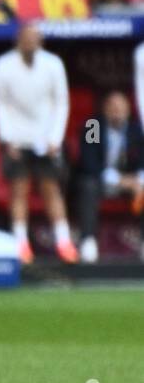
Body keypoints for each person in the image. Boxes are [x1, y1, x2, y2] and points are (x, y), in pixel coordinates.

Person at [0, 23, 75, 264]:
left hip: (45, 139)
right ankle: (20, 244)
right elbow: (0, 104)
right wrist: (7, 139)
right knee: (19, 190)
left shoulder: (53, 64)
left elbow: (61, 103)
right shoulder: (2, 65)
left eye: (34, 38)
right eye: (26, 38)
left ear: (40, 41)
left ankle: (64, 242)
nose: (30, 42)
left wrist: (55, 139)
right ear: (19, 39)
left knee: (52, 189)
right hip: (16, 139)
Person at [75, 91, 144, 263]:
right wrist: (119, 180)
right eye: (112, 107)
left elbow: (141, 162)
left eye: (121, 108)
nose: (117, 111)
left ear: (128, 110)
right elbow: (89, 163)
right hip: (100, 180)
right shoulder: (94, 126)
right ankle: (88, 241)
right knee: (87, 185)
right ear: (104, 109)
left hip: (130, 184)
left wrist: (137, 181)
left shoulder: (136, 129)